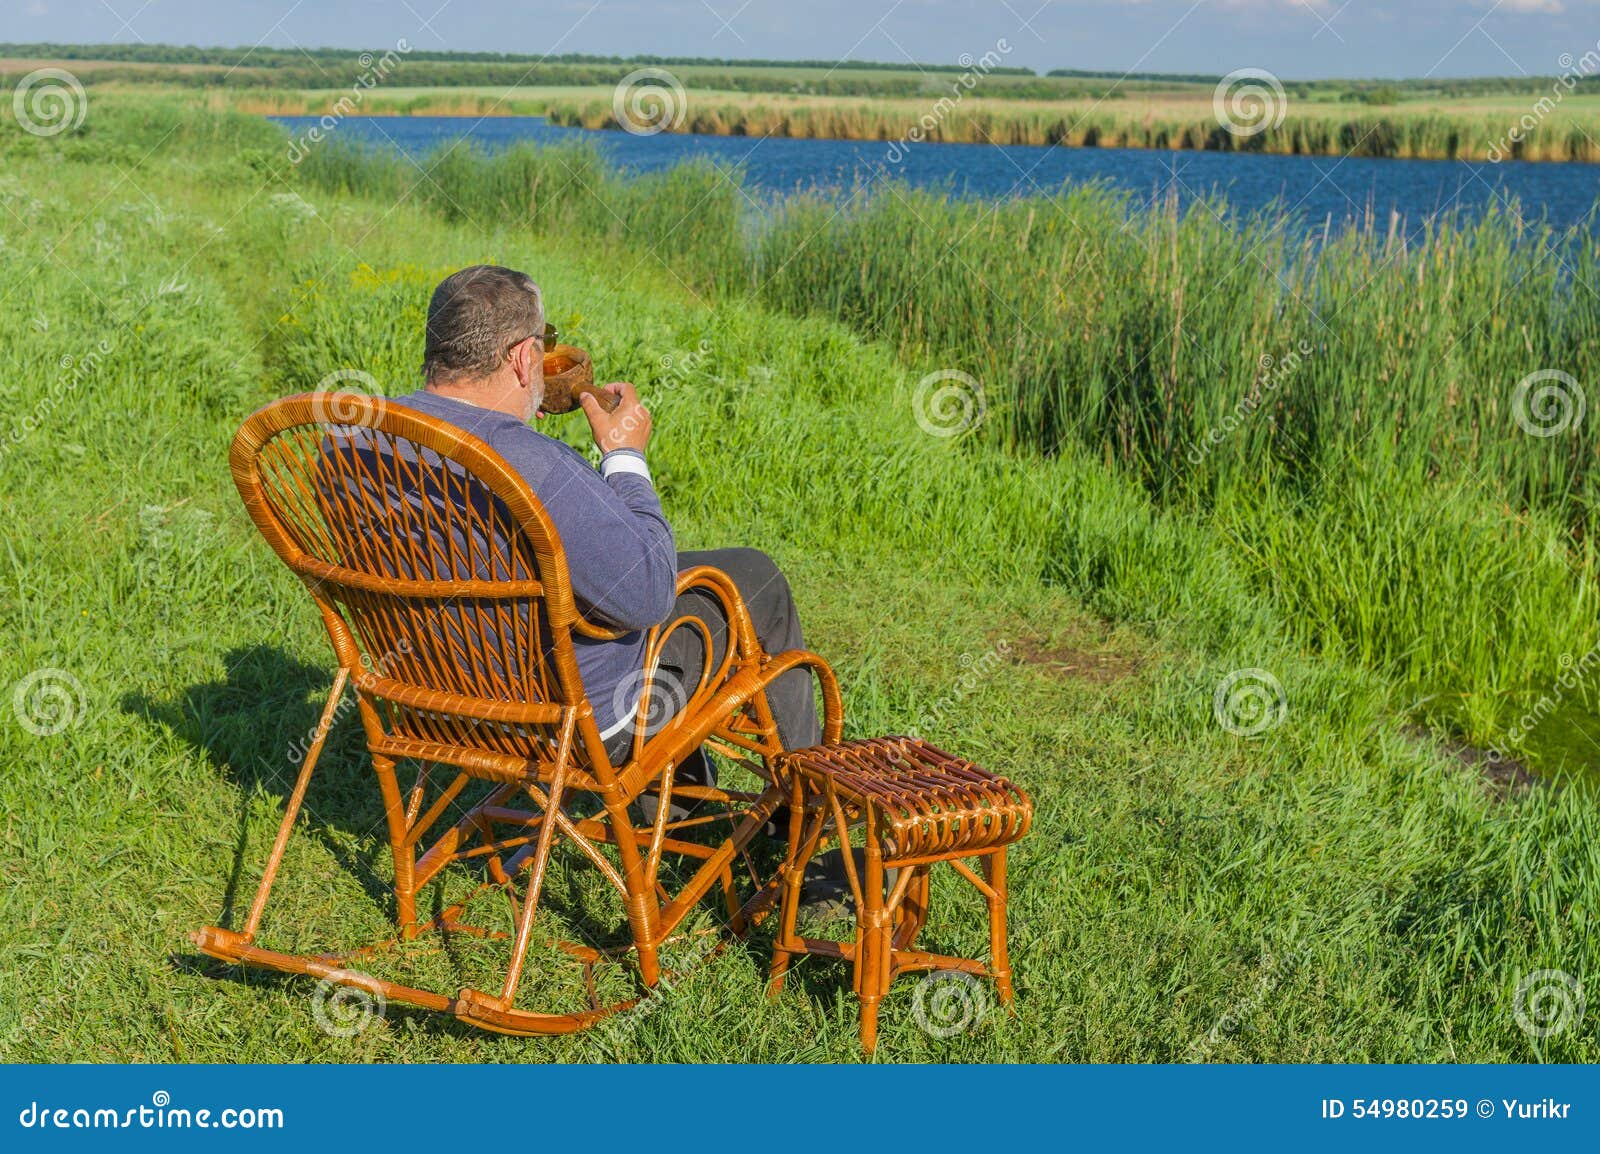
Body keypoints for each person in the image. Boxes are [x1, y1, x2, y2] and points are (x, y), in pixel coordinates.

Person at [389, 264, 821, 781]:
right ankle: (799, 818)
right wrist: (624, 458)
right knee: (754, 578)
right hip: (566, 720)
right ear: (525, 359)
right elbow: (646, 596)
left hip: (429, 700)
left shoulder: (351, 442)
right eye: (544, 341)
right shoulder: (531, 465)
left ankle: (681, 812)